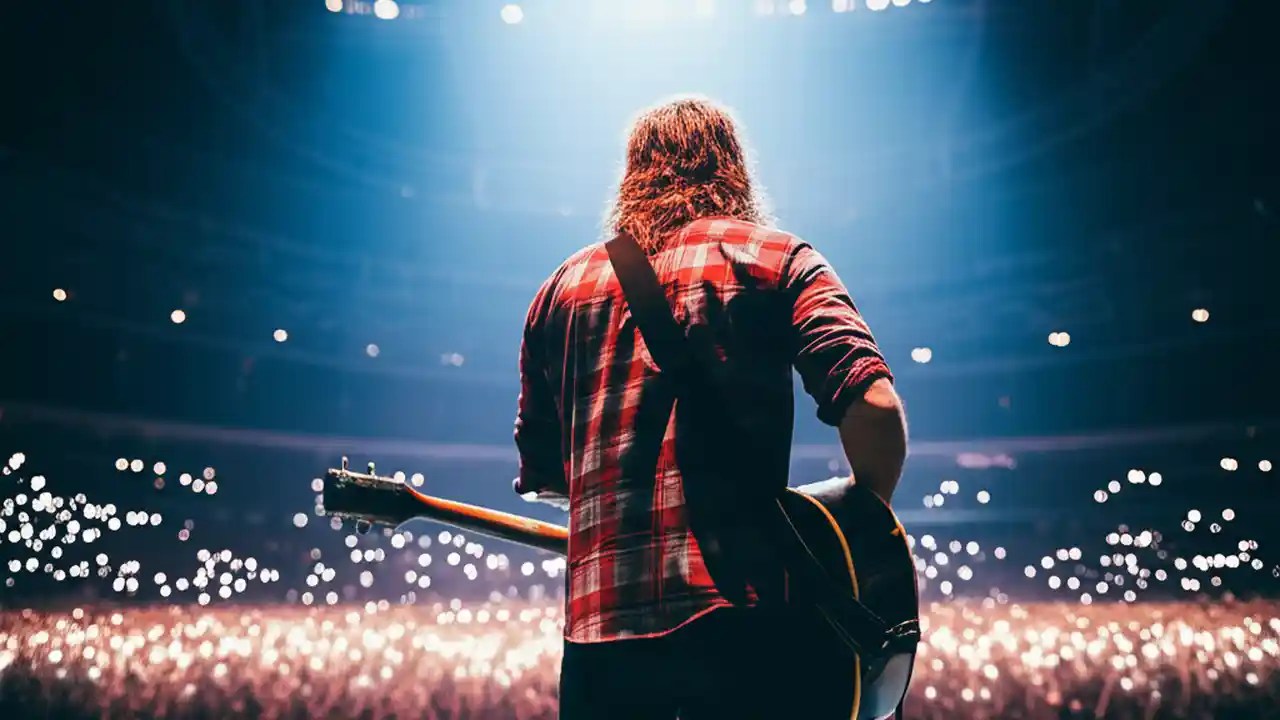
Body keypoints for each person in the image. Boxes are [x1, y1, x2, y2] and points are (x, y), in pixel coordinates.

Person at [513, 96, 908, 719]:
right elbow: (875, 408)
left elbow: (549, 479)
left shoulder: (558, 293)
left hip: (599, 645)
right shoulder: (779, 260)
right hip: (742, 629)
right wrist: (856, 541)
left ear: (631, 178)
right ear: (734, 171)